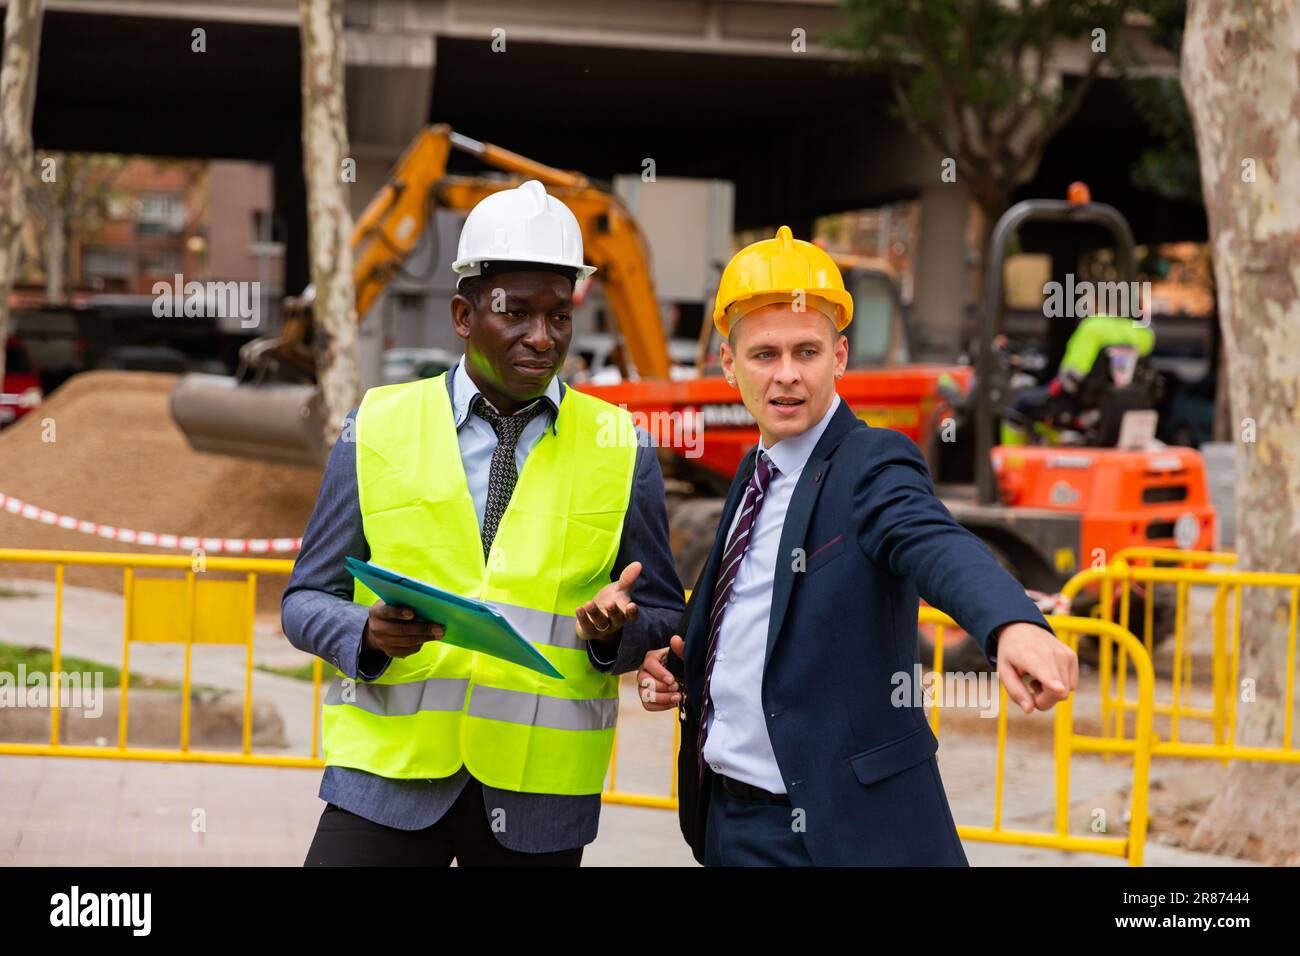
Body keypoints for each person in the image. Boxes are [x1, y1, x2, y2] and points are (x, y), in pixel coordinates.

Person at [636, 226, 1077, 866]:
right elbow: (760, 619)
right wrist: (683, 669)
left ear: (839, 357)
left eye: (806, 352)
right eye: (764, 355)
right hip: (729, 822)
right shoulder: (751, 476)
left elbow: (932, 539)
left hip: (839, 834)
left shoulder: (872, 464)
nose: (787, 376)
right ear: (728, 364)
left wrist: (1009, 625)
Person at [283, 180, 684, 866]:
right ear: (464, 316)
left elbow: (661, 610)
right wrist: (365, 633)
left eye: (559, 315)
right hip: (386, 781)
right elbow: (303, 601)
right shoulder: (376, 427)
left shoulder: (624, 445)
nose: (542, 336)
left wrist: (613, 634)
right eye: (517, 313)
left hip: (539, 798)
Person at [1002, 313, 1155, 445]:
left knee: (1018, 406)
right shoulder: (1143, 334)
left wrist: (1055, 388)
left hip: (1079, 403)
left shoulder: (1093, 327)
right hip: (1120, 404)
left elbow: (1072, 377)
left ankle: (1011, 465)